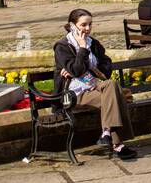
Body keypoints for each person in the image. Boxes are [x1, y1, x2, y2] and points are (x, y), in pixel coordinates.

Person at [52, 8, 137, 159]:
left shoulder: (94, 43)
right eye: (84, 25)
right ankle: (117, 145)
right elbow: (77, 70)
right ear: (72, 25)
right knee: (115, 98)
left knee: (111, 85)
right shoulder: (62, 46)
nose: (88, 28)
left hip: (95, 85)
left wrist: (89, 69)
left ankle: (106, 133)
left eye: (90, 24)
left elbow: (107, 63)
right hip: (75, 94)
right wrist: (82, 49)